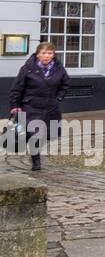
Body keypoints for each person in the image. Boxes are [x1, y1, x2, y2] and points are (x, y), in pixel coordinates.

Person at [8, 42, 69, 171]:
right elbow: (17, 88)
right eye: (44, 53)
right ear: (38, 54)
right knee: (35, 133)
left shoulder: (59, 68)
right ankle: (36, 160)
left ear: (53, 55)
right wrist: (15, 105)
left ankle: (35, 150)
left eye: (50, 53)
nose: (47, 56)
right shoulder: (27, 68)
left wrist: (58, 98)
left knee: (49, 134)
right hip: (31, 106)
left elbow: (65, 84)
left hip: (51, 107)